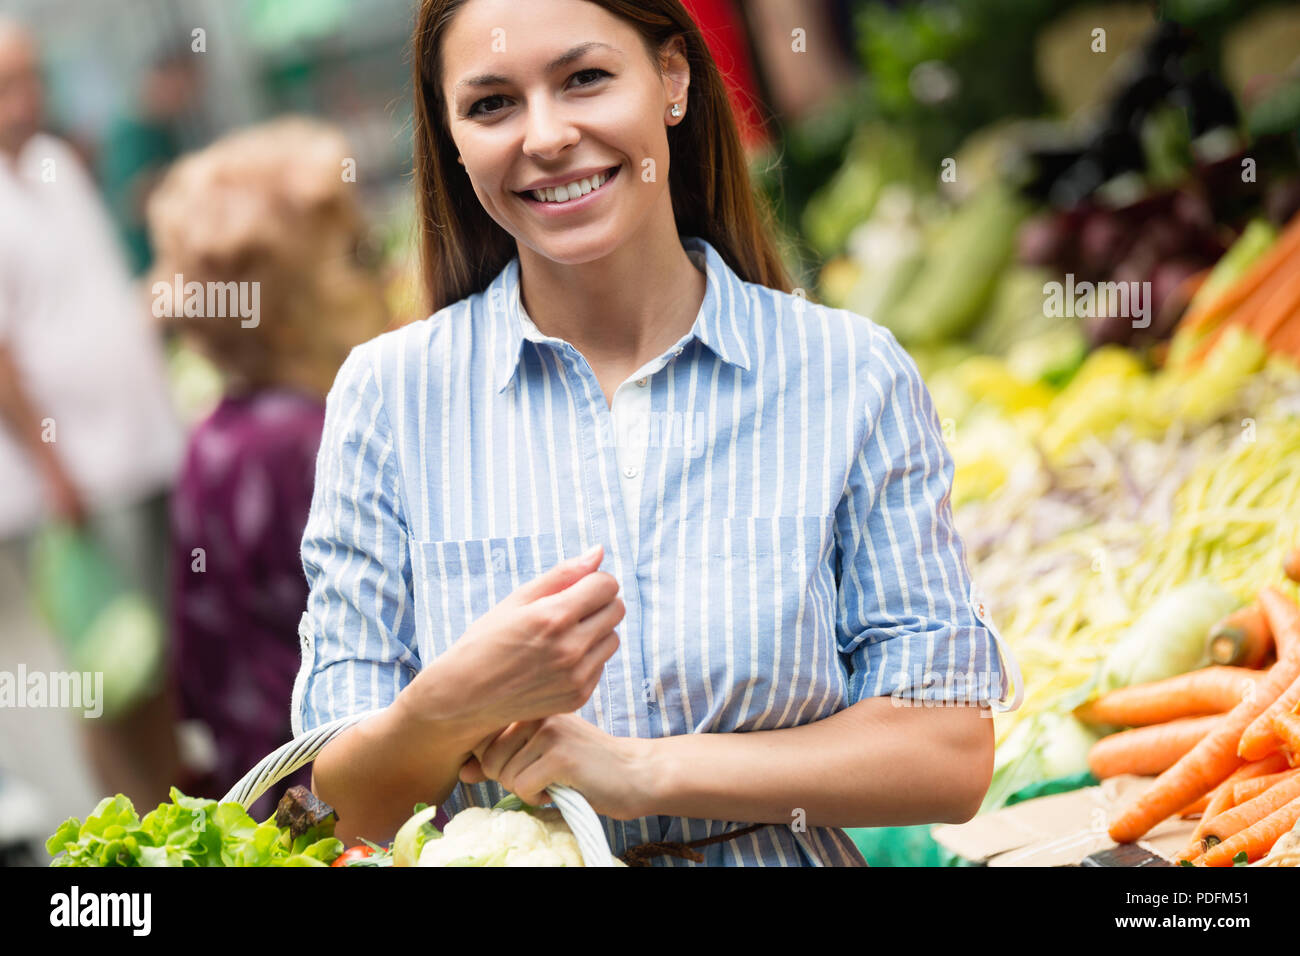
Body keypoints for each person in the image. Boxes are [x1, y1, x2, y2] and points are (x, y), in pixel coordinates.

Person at [294, 0, 1022, 866]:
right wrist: (446, 706)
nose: (548, 134)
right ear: (450, 137)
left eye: (585, 79)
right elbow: (336, 812)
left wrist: (647, 772)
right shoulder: (388, 399)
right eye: (492, 104)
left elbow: (947, 753)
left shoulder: (848, 374)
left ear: (672, 79)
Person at [146, 117, 392, 820]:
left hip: (254, 781)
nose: (380, 273)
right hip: (336, 792)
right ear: (287, 311)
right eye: (356, 255)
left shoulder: (215, 437)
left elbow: (194, 662)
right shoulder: (312, 443)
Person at [0, 18, 185, 814]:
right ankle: (133, 829)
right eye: (8, 84)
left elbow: (97, 300)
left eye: (31, 76)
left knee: (160, 658)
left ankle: (178, 806)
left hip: (138, 451)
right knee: (106, 673)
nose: (25, 97)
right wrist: (53, 471)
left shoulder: (54, 165)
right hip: (71, 481)